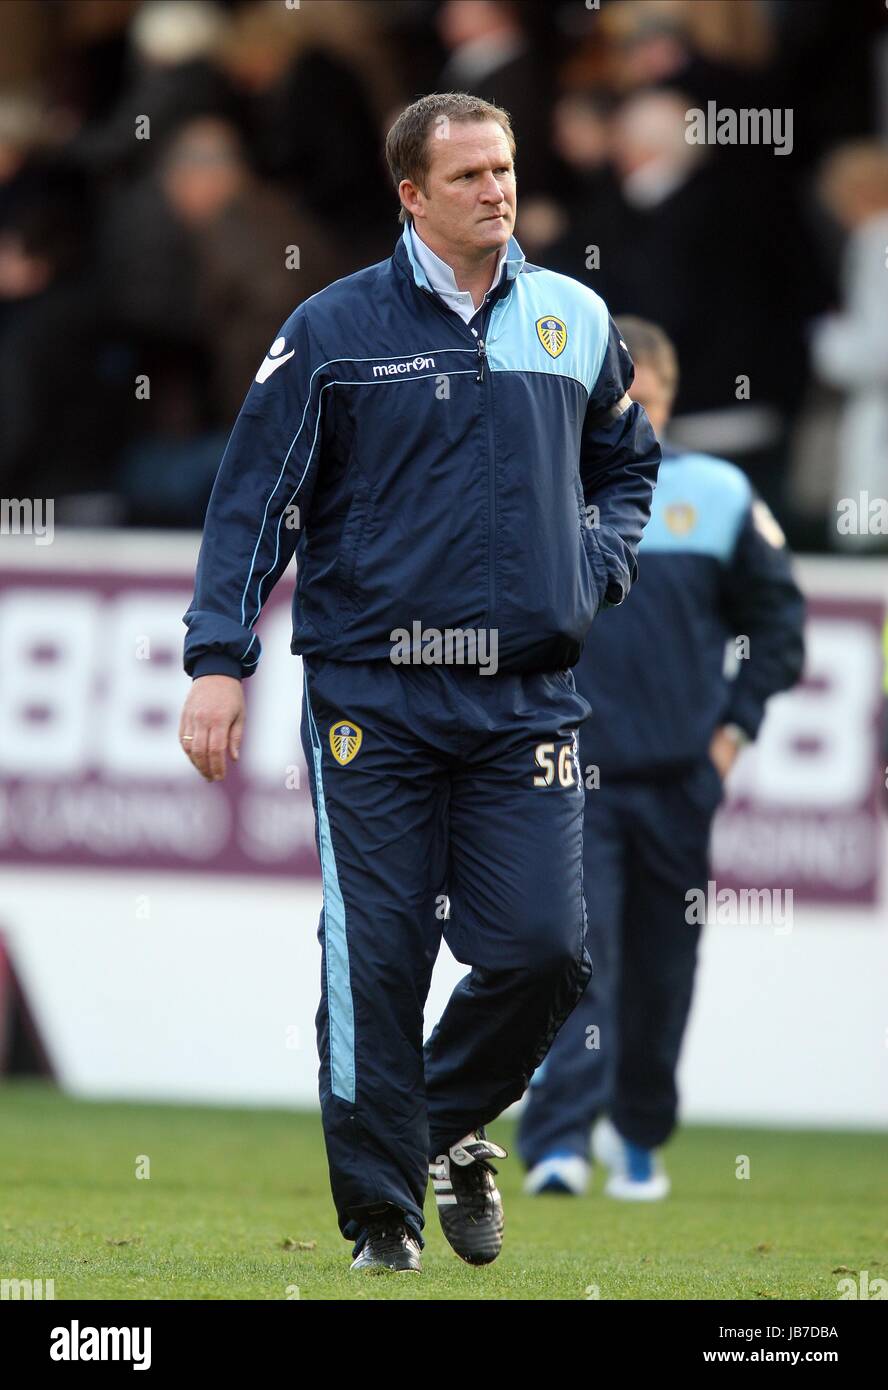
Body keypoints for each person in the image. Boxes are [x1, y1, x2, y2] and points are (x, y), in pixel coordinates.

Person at [179, 92, 660, 1272]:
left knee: (550, 951)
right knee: (378, 956)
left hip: (526, 697)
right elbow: (253, 502)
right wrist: (217, 659)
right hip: (373, 698)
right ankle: (384, 1221)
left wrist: (590, 569)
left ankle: (439, 1125)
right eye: (468, 177)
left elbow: (627, 463)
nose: (497, 189)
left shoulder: (576, 317)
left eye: (504, 167)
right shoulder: (332, 332)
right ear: (411, 196)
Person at [519, 317, 805, 1200]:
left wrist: (731, 735)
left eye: (653, 397)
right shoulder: (544, 490)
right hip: (573, 774)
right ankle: (559, 1141)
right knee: (576, 958)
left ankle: (639, 1137)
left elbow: (779, 626)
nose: (637, 411)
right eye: (622, 396)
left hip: (682, 782)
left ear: (673, 400)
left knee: (664, 969)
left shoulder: (719, 496)